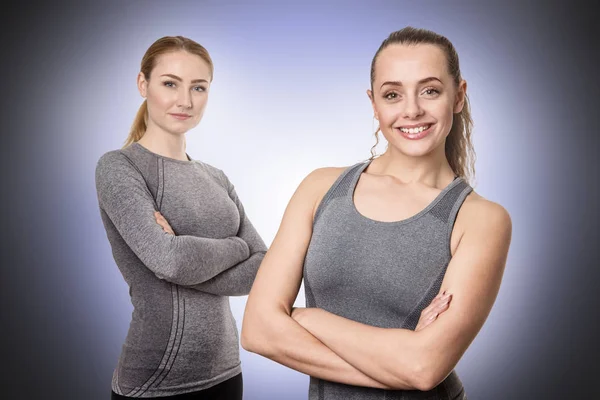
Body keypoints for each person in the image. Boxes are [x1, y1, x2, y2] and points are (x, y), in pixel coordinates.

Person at [241, 26, 512, 399]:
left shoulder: (480, 219)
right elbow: (257, 331)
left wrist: (306, 317)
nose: (412, 109)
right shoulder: (320, 189)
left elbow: (425, 367)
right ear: (374, 103)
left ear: (458, 96)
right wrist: (399, 362)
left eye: (430, 90)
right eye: (392, 94)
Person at [95, 36, 266, 399]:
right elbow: (169, 261)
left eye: (198, 87)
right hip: (155, 381)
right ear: (144, 84)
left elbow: (262, 268)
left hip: (226, 371)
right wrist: (237, 247)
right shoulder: (119, 167)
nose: (185, 101)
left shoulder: (216, 176)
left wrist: (186, 259)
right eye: (170, 83)